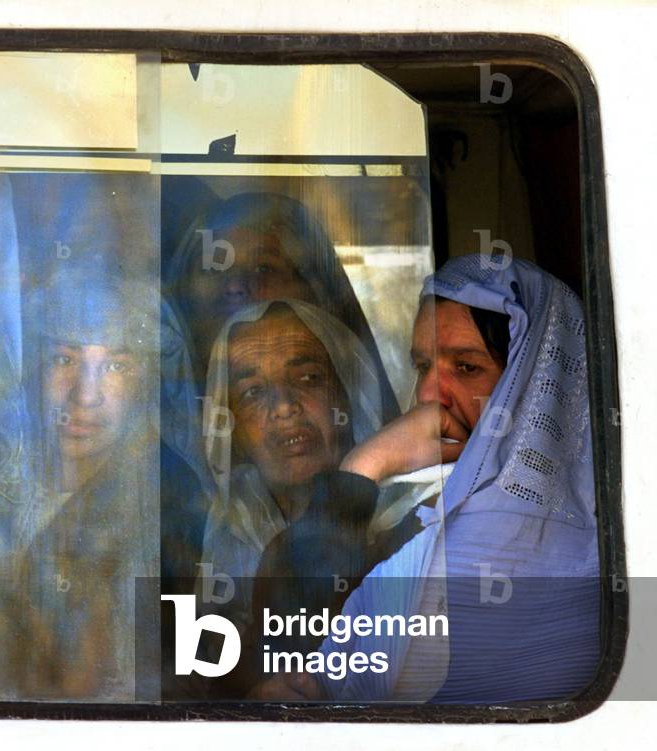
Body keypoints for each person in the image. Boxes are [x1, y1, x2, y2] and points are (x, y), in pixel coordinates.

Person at [263, 255, 600, 703]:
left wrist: (365, 467)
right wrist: (368, 467)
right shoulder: (421, 506)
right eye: (422, 366)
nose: (426, 394)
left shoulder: (536, 535)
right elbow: (286, 653)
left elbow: (294, 649)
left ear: (532, 379)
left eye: (466, 368)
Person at [160, 192, 399, 586]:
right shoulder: (180, 498)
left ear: (313, 289)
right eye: (251, 390)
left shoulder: (404, 516)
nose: (236, 287)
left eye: (262, 267)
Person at [194, 298, 388, 685]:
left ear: (347, 392)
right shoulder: (225, 530)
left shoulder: (407, 518)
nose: (284, 407)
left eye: (308, 378)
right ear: (231, 427)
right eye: (252, 392)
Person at [9, 267, 159, 700]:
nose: (85, 395)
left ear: (146, 383)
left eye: (115, 366)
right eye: (64, 359)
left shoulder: (166, 513)